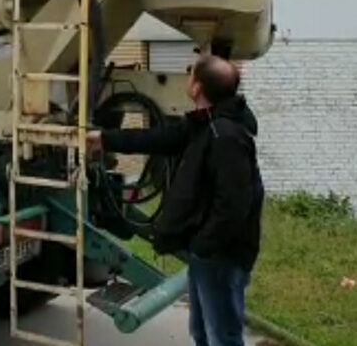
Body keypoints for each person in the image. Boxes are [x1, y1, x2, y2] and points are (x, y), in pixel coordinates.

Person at [87, 54, 264, 346]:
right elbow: (159, 139)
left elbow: (234, 206)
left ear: (197, 88)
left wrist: (204, 246)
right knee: (203, 332)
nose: (187, 77)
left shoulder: (225, 136)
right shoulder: (205, 124)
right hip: (207, 253)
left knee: (223, 336)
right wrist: (105, 140)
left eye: (191, 73)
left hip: (221, 255)